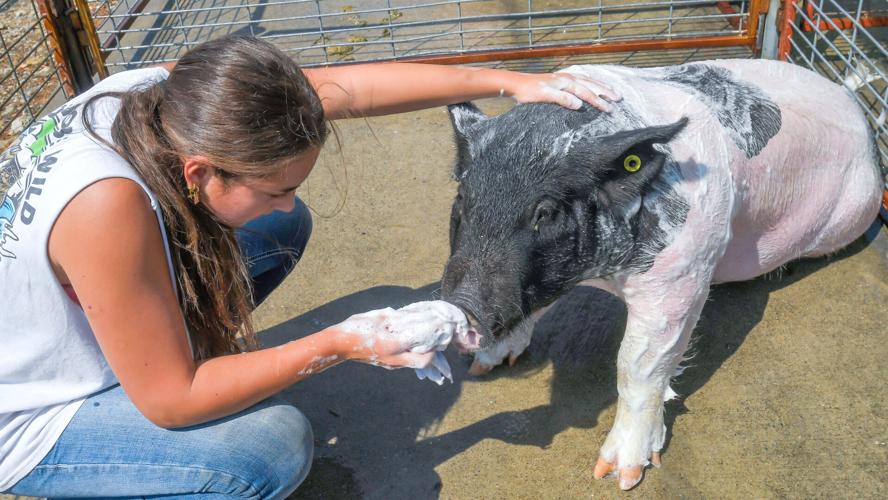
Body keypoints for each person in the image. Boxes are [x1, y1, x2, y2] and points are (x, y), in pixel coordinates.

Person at [0, 35, 617, 497]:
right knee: (271, 449)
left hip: (60, 317)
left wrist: (507, 81)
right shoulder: (108, 207)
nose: (287, 200)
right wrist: (343, 343)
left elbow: (345, 89)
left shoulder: (162, 99)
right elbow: (173, 401)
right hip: (29, 411)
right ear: (198, 172)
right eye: (273, 187)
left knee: (282, 230)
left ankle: (164, 348)